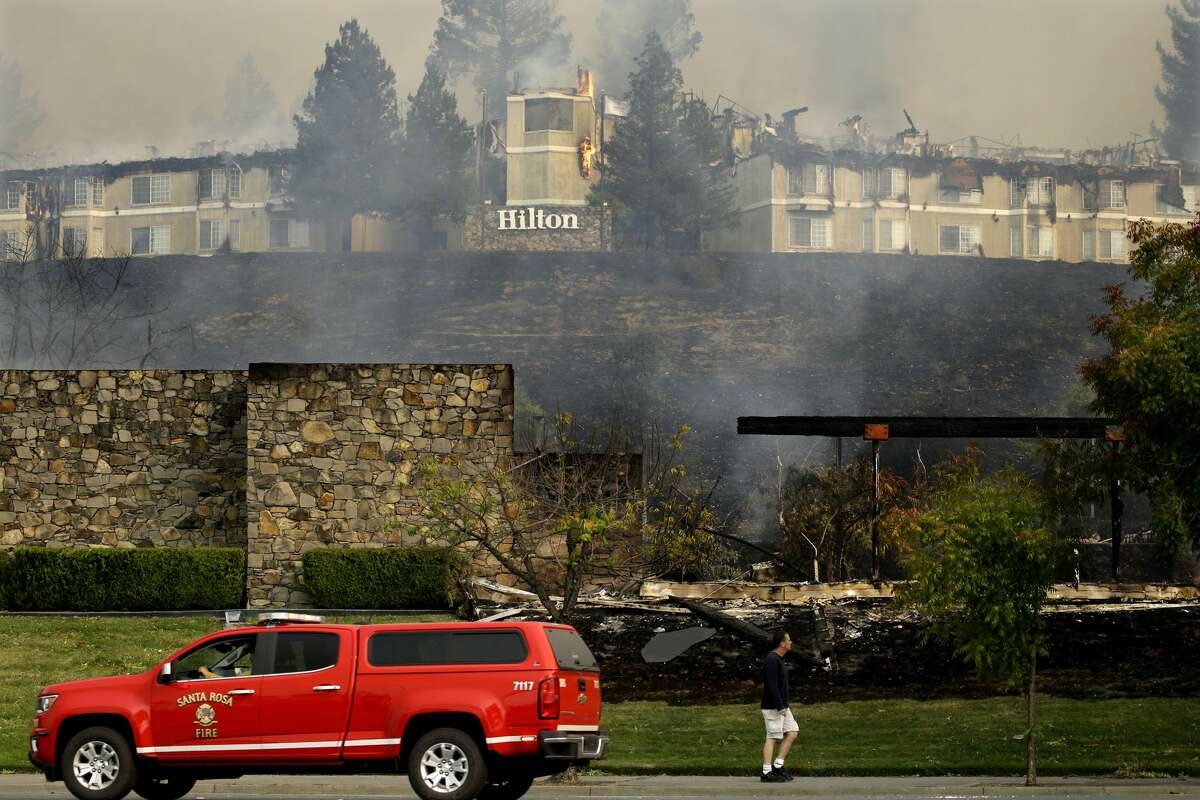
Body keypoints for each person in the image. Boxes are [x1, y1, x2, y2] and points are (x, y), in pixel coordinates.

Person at [760, 630, 797, 782]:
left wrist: (783, 706)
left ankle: (778, 765)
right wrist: (779, 705)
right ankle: (766, 771)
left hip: (782, 706)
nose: (790, 642)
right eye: (788, 640)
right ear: (782, 643)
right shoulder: (771, 659)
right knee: (772, 737)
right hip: (773, 707)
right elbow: (771, 685)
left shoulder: (778, 659)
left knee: (793, 732)